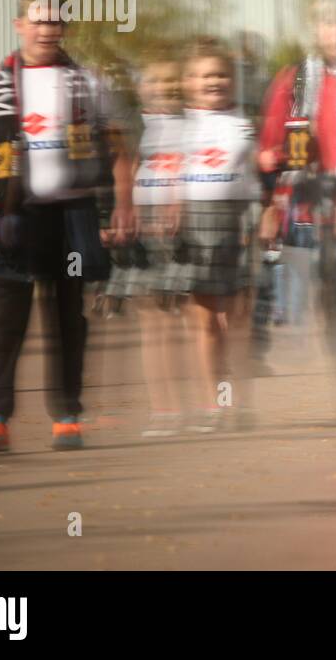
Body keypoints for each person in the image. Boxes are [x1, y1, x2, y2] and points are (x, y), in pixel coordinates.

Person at [0, 0, 133, 452]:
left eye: (55, 20)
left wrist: (126, 204)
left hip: (71, 214)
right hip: (7, 216)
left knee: (68, 316)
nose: (47, 28)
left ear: (64, 27)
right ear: (19, 25)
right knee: (2, 320)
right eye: (38, 19)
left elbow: (122, 152)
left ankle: (67, 415)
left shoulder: (88, 82)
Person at [179, 38, 261, 432]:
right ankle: (215, 403)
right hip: (194, 227)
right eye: (204, 75)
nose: (214, 82)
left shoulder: (245, 124)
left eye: (221, 75)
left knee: (237, 321)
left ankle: (239, 401)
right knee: (206, 321)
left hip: (237, 225)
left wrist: (258, 219)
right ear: (188, 81)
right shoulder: (176, 126)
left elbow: (257, 179)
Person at [124, 55, 190, 437]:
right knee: (152, 323)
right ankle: (162, 409)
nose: (163, 89)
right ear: (140, 88)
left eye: (170, 83)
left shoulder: (188, 127)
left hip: (181, 232)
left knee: (185, 319)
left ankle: (193, 402)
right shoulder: (135, 129)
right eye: (154, 81)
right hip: (145, 230)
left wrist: (179, 204)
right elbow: (125, 173)